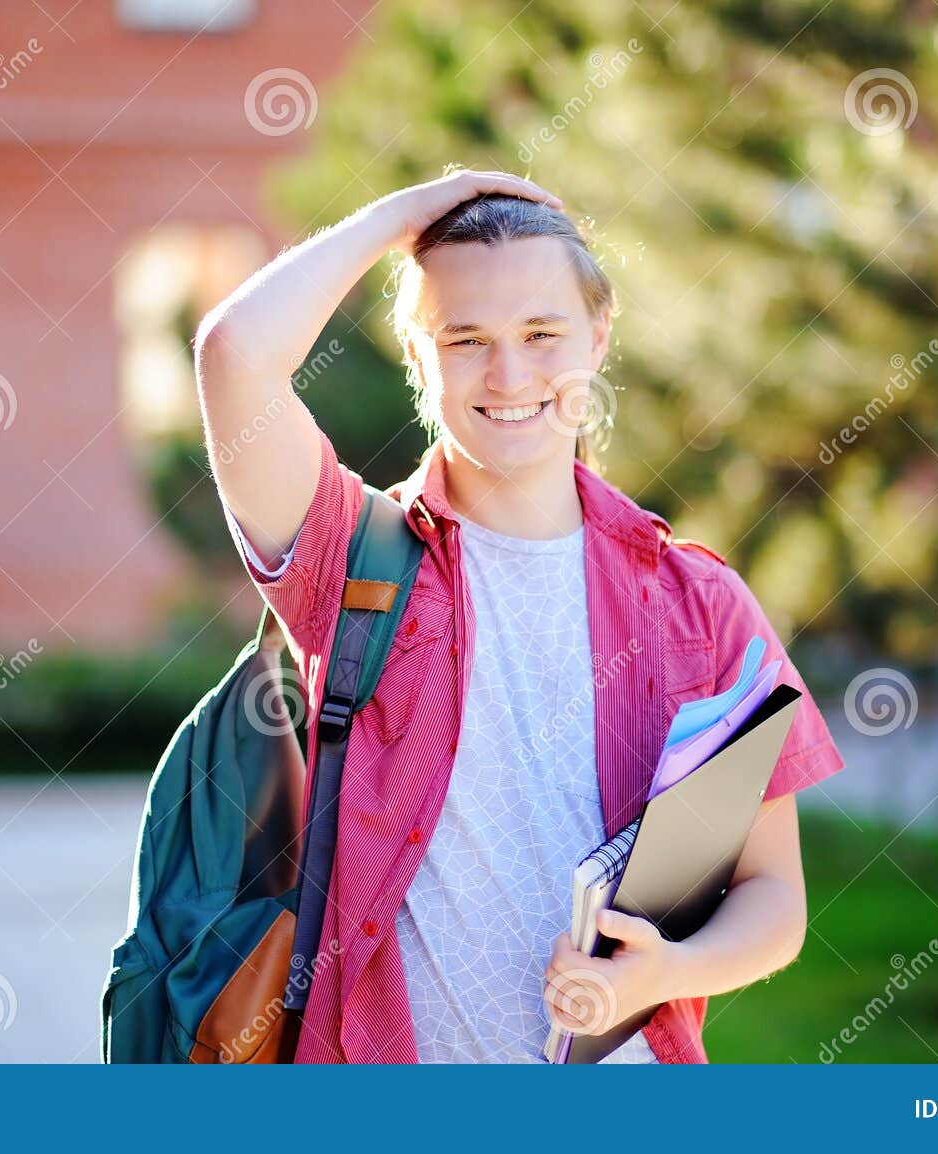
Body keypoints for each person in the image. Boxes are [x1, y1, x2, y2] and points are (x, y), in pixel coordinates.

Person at [194, 168, 846, 1063]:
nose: (509, 375)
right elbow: (234, 354)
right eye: (464, 339)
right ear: (416, 357)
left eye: (542, 333)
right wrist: (403, 215)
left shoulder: (699, 604)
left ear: (598, 336)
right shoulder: (351, 563)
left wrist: (660, 973)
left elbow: (776, 900)